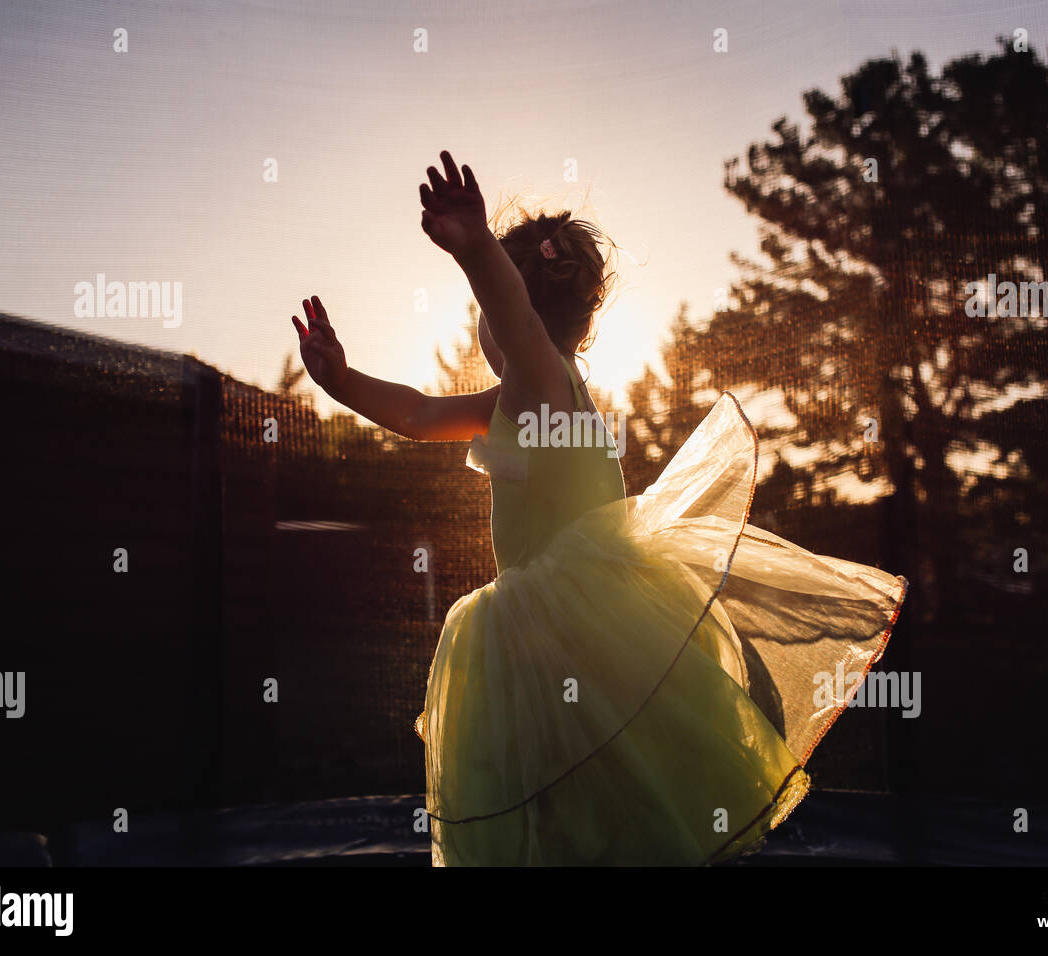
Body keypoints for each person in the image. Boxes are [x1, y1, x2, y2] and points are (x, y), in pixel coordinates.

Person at [290, 150, 907, 865]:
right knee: (574, 805)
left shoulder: (544, 380)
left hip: (572, 631)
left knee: (588, 800)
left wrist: (477, 248)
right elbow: (421, 414)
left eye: (489, 314)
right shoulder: (522, 399)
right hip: (551, 633)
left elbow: (513, 321)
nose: (486, 328)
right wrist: (341, 382)